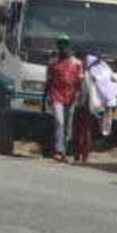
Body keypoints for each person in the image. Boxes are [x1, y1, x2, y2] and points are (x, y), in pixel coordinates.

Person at [44, 35, 82, 163]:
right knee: (59, 122)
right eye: (60, 44)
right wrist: (44, 99)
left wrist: (79, 97)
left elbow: (80, 83)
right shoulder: (52, 63)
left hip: (71, 97)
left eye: (65, 44)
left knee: (68, 126)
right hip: (56, 96)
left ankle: (64, 151)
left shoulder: (77, 63)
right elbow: (48, 82)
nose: (63, 47)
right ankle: (59, 151)